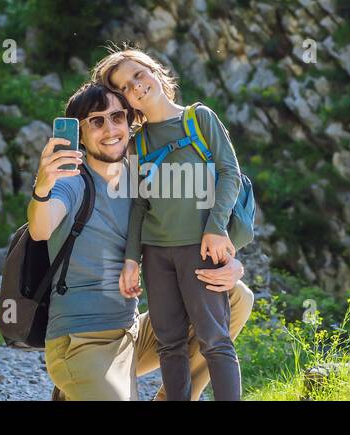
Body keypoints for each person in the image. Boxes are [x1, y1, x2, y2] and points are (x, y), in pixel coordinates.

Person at [27, 81, 253, 401]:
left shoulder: (140, 180)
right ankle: (78, 381)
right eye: (96, 121)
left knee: (237, 298)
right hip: (81, 340)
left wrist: (232, 263)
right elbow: (40, 228)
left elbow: (185, 232)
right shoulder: (71, 183)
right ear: (79, 132)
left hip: (132, 336)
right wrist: (43, 184)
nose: (110, 128)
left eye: (117, 117)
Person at [95, 49, 244, 400]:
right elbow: (139, 205)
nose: (137, 86)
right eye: (126, 87)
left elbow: (229, 173)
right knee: (170, 344)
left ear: (154, 70)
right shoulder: (138, 144)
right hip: (157, 256)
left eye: (138, 75)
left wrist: (216, 227)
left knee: (214, 339)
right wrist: (132, 257)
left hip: (200, 248)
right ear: (126, 102)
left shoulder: (199, 118)